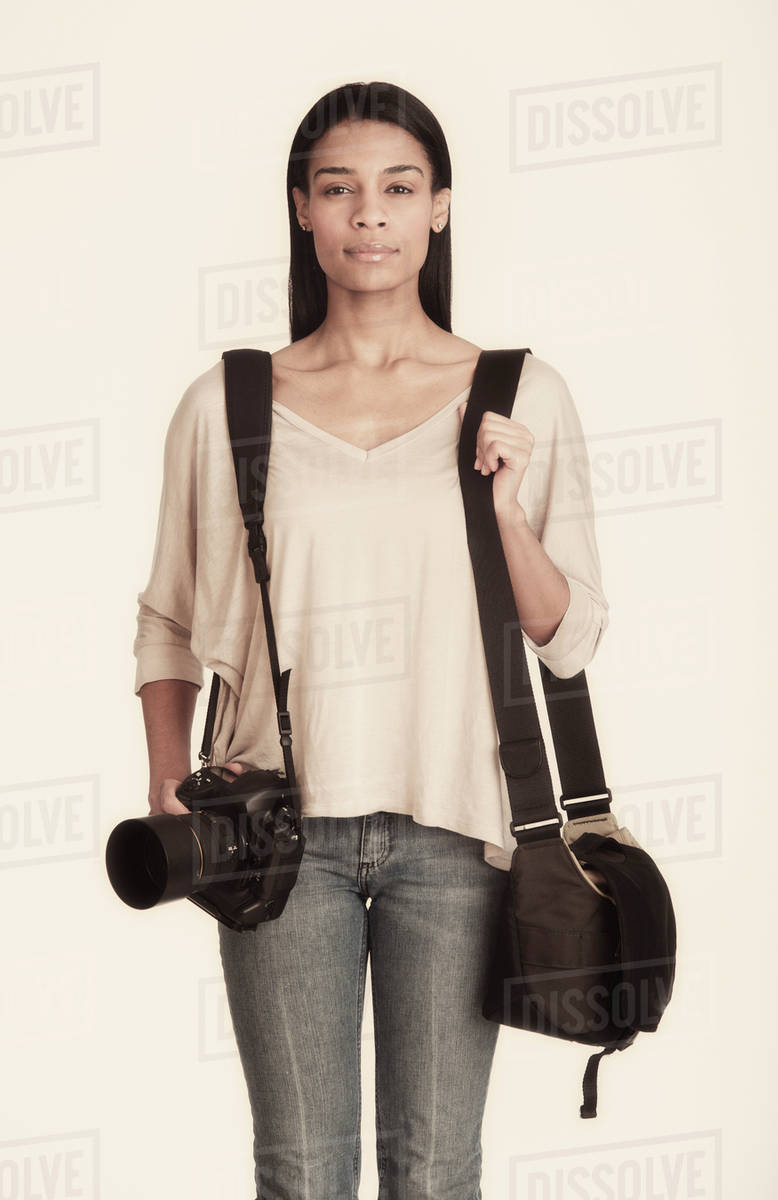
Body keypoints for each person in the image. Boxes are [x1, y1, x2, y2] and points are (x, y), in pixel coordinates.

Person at [133, 81, 609, 1200]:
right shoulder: (231, 403)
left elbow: (570, 633)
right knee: (300, 1171)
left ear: (440, 207)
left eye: (399, 189)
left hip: (458, 840)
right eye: (340, 190)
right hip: (272, 842)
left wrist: (497, 506)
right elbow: (166, 617)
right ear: (304, 209)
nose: (370, 216)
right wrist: (168, 780)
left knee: (434, 1172)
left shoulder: (516, 393)